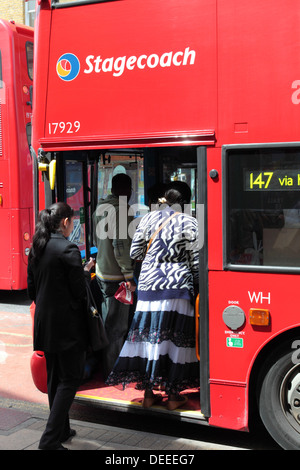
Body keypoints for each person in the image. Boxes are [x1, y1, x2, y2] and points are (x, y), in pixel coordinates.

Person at [106, 181, 200, 410]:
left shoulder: (147, 218)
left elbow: (135, 252)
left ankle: (148, 393)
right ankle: (174, 396)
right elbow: (196, 263)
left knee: (149, 339)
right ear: (185, 202)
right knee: (176, 341)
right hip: (177, 288)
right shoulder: (189, 222)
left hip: (148, 288)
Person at [27, 202, 94, 450]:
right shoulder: (68, 249)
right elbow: (79, 292)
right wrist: (86, 274)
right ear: (65, 222)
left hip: (45, 324)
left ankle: (63, 431)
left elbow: (32, 290)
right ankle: (49, 440)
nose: (73, 225)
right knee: (70, 379)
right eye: (73, 221)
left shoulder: (37, 247)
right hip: (68, 326)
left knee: (55, 378)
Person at [93, 173, 136, 379]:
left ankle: (108, 366)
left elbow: (96, 239)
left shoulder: (101, 207)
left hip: (102, 272)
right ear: (126, 190)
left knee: (107, 323)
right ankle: (114, 371)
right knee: (117, 327)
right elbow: (120, 246)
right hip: (116, 277)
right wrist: (129, 275)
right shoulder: (121, 210)